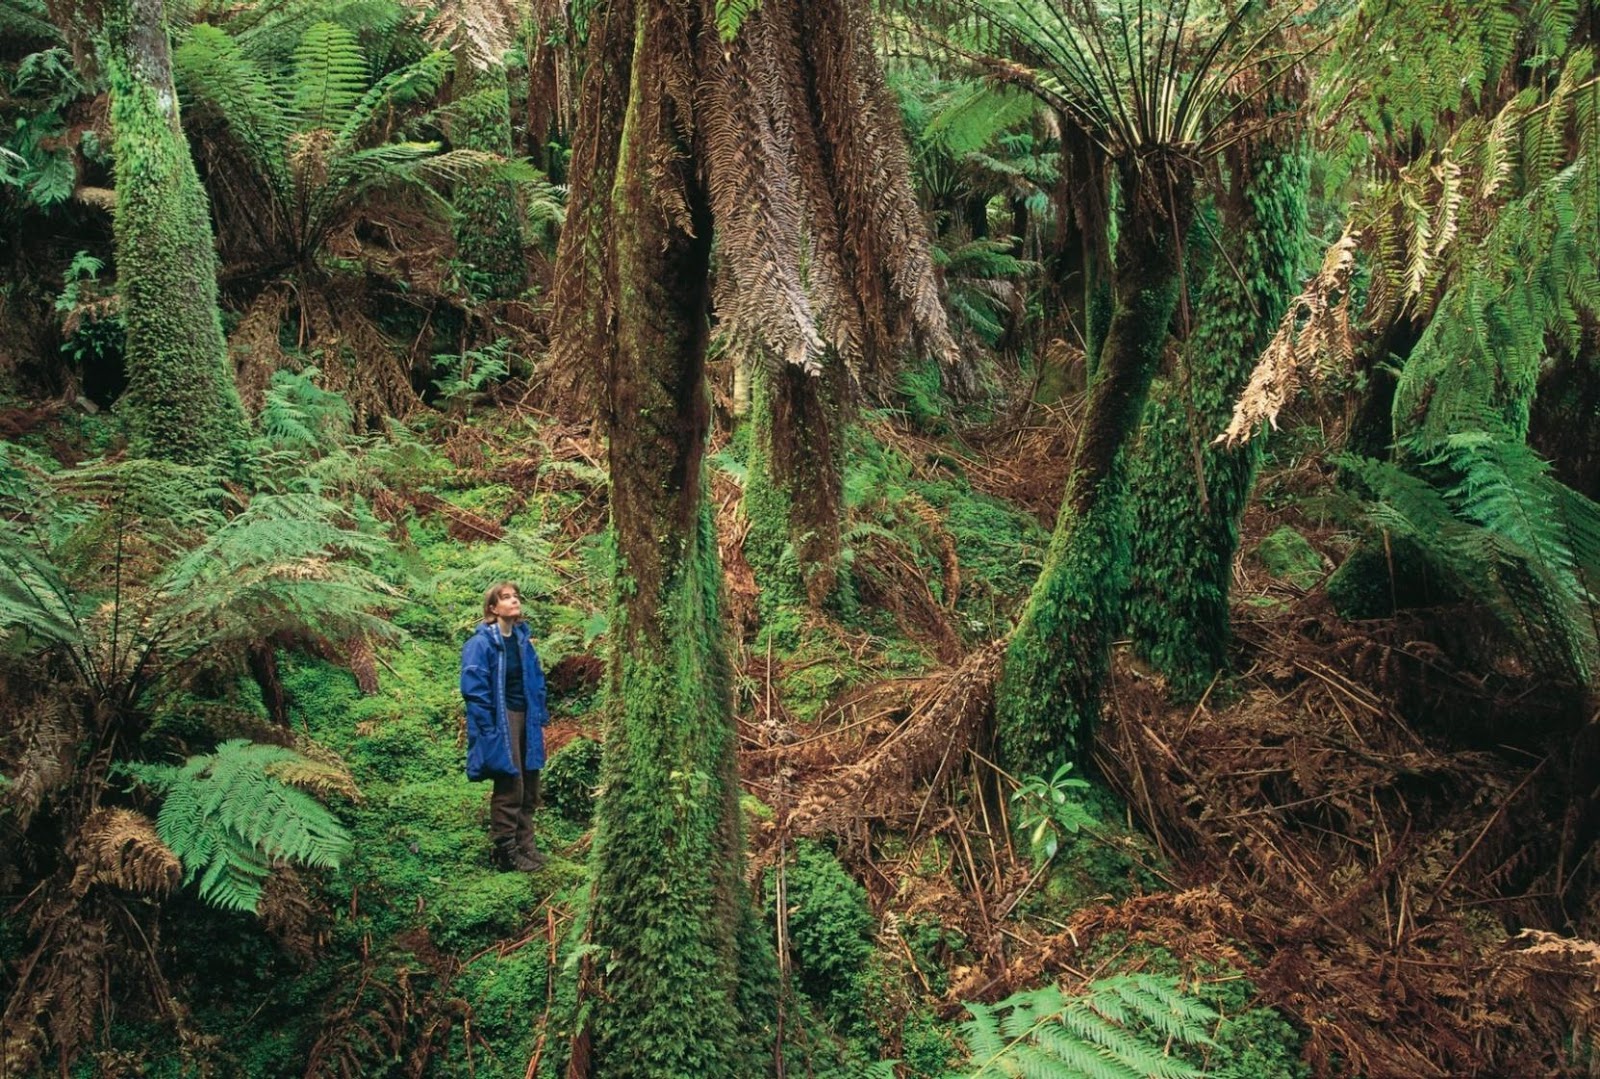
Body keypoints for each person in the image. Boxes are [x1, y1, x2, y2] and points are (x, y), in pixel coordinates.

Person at [461, 581, 548, 871]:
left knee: (530, 779)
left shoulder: (523, 641)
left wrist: (540, 714)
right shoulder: (481, 644)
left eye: (515, 597)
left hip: (527, 716)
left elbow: (535, 680)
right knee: (511, 781)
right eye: (506, 598)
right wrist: (488, 729)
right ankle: (505, 851)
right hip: (502, 717)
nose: (513, 601)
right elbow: (474, 689)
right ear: (492, 608)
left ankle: (526, 845)